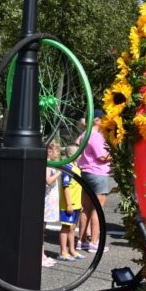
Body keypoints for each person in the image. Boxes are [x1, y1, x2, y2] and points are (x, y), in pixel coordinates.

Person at [76, 110, 111, 253]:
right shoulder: (95, 136)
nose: (104, 122)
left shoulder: (84, 134)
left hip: (85, 173)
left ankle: (82, 240)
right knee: (98, 209)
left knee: (86, 208)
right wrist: (115, 153)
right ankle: (94, 242)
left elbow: (77, 146)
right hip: (98, 173)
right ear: (97, 120)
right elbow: (102, 157)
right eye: (103, 119)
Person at [58, 145, 83, 262]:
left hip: (77, 204)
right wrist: (68, 204)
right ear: (70, 155)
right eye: (78, 152)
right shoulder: (67, 168)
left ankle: (72, 250)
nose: (80, 155)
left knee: (72, 228)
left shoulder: (76, 168)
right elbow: (66, 188)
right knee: (65, 227)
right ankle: (63, 251)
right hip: (69, 204)